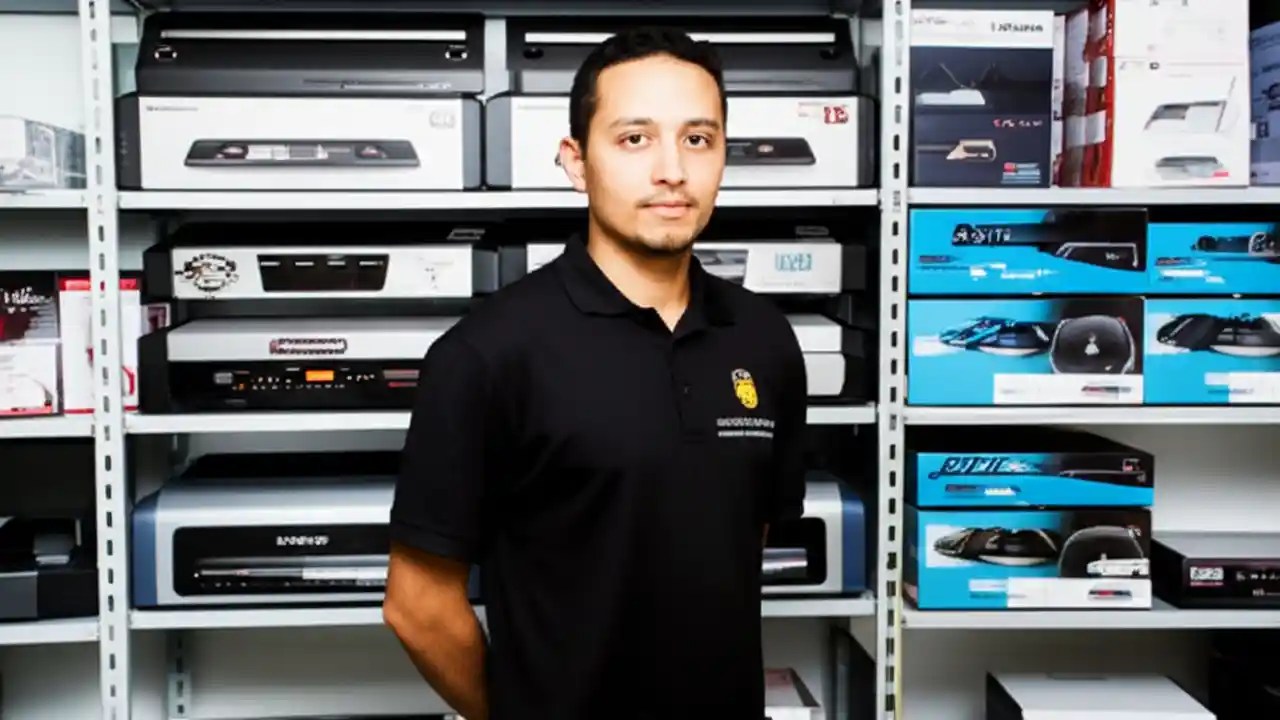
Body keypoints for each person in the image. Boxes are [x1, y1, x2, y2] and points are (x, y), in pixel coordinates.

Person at [384, 26, 808, 720]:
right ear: (576, 162)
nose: (672, 169)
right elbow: (417, 607)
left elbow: (740, 546)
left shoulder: (765, 342)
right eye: (635, 138)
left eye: (697, 139)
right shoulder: (487, 355)